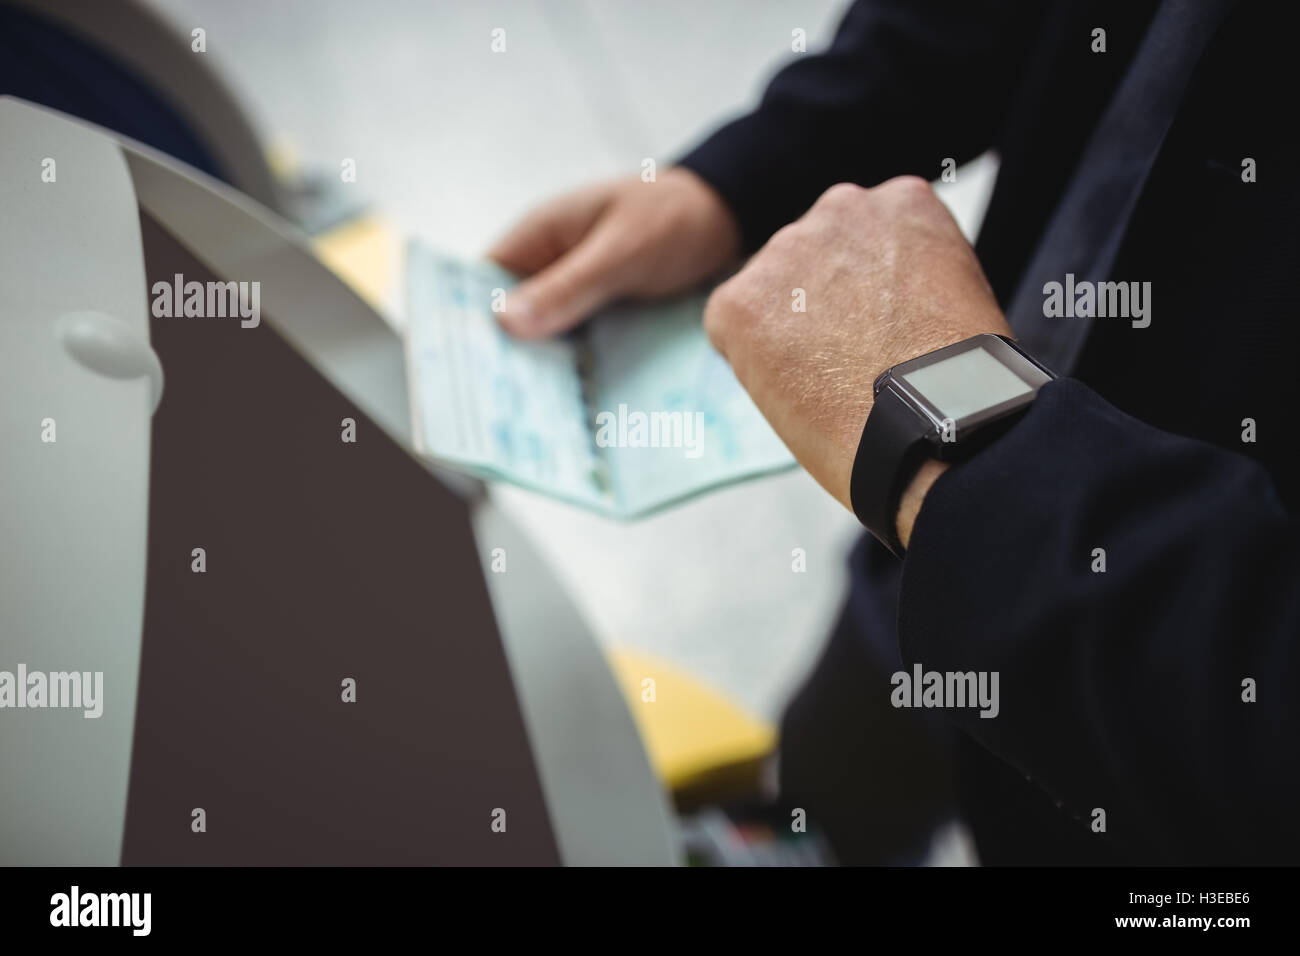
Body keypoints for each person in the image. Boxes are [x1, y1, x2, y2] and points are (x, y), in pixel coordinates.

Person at [488, 0, 1299, 865]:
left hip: (1185, 755)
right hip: (929, 544)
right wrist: (744, 175)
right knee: (836, 774)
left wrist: (981, 472)